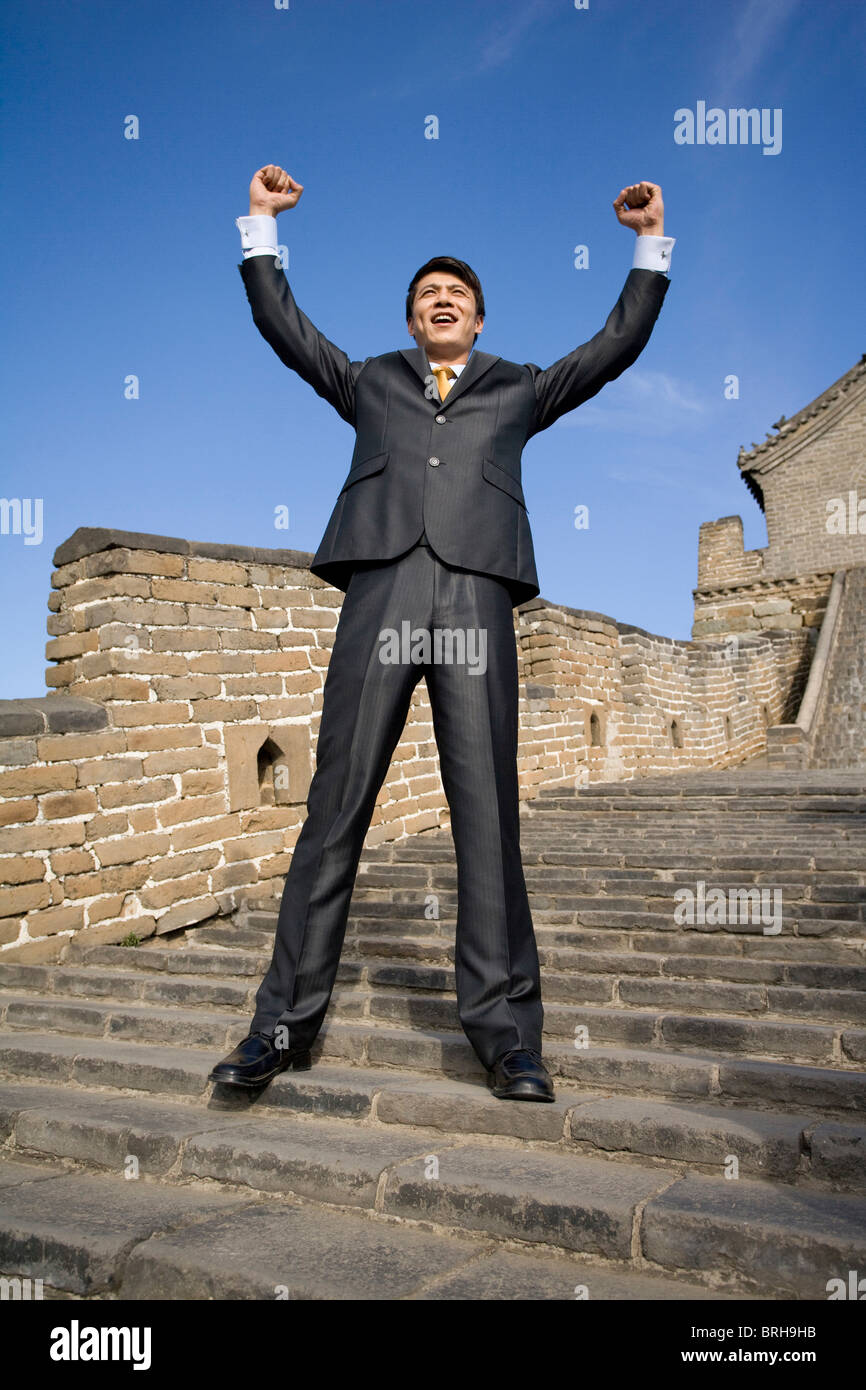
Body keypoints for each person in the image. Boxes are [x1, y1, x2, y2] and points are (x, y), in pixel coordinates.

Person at [209, 164, 674, 1102]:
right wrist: (261, 224)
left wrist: (647, 244)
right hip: (381, 591)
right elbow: (283, 328)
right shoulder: (370, 381)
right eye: (427, 295)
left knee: (486, 816)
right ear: (412, 319)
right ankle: (280, 1026)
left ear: (480, 320)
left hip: (475, 598)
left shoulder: (518, 390)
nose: (442, 302)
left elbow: (616, 344)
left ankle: (506, 1037)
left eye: (457, 294)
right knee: (334, 805)